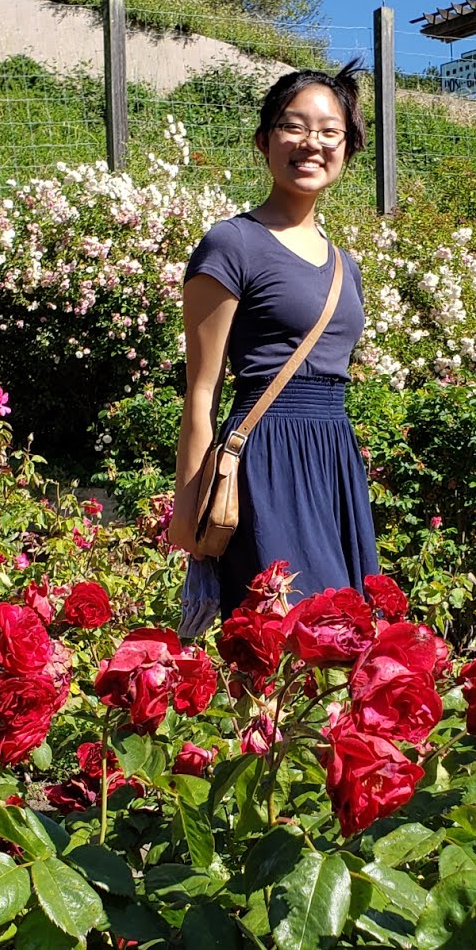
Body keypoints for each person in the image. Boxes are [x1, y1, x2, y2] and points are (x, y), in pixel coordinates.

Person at [168, 60, 380, 622]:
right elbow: (202, 391)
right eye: (294, 126)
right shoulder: (231, 245)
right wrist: (188, 517)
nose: (312, 143)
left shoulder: (344, 265)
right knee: (286, 637)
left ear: (348, 148)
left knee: (345, 641)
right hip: (264, 459)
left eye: (330, 131)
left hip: (331, 459)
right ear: (264, 140)